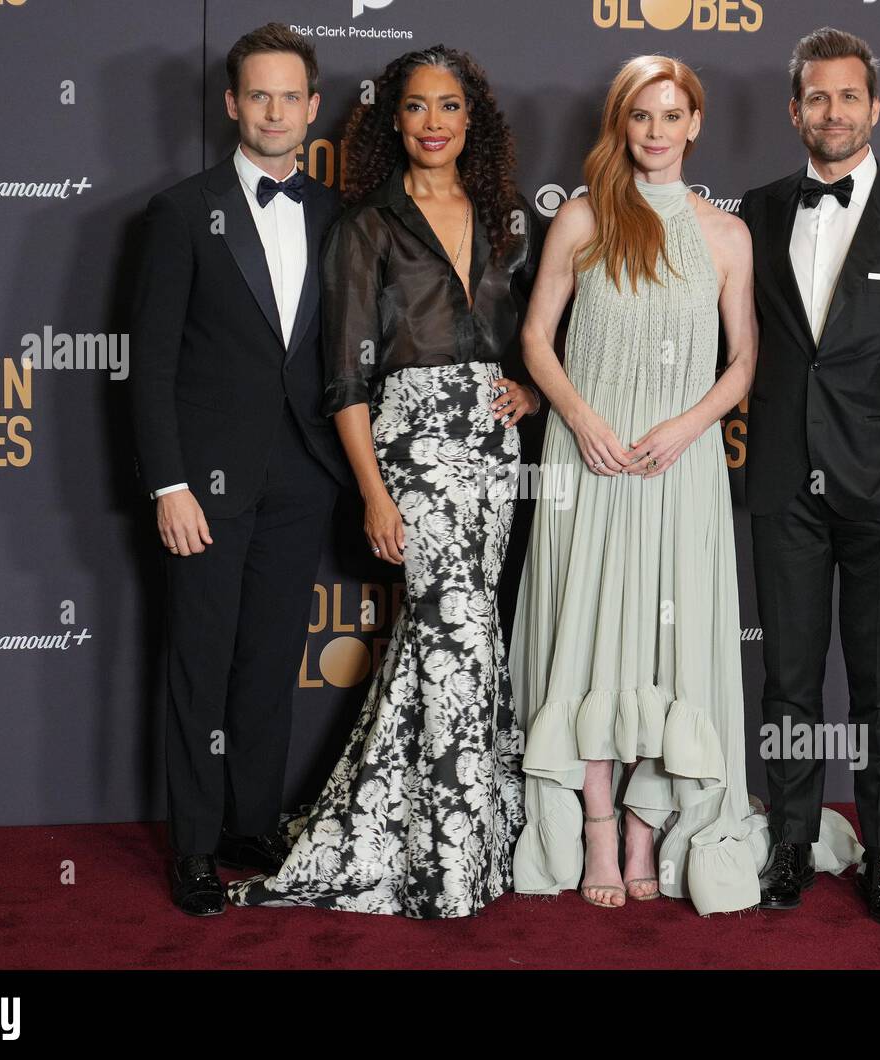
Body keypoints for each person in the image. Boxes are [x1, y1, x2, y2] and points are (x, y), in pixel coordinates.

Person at [510, 55, 862, 915]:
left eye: (672, 116)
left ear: (695, 125)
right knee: (586, 638)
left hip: (681, 461)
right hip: (584, 457)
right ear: (621, 126)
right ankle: (594, 825)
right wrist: (585, 421)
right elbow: (535, 339)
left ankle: (645, 827)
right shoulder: (583, 220)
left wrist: (685, 425)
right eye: (642, 117)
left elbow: (744, 361)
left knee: (664, 650)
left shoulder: (725, 234)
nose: (657, 132)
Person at [225, 45, 543, 918]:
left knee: (446, 644)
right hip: (411, 450)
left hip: (492, 448)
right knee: (454, 637)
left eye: (448, 106)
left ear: (471, 117)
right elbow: (345, 378)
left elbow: (535, 331)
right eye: (415, 107)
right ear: (391, 119)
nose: (432, 123)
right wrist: (374, 490)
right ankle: (446, 857)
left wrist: (525, 384)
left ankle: (425, 832)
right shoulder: (366, 226)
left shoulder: (509, 216)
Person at [737, 27, 880, 926]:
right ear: (795, 111)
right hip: (785, 486)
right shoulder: (755, 211)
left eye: (849, 97)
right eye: (817, 98)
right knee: (789, 680)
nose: (833, 113)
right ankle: (791, 844)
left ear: (874, 110)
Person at [129, 24, 349, 916]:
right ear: (231, 105)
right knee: (200, 663)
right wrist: (168, 484)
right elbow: (149, 364)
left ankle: (249, 825)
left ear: (312, 107)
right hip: (204, 490)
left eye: (289, 95)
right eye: (257, 94)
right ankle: (191, 847)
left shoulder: (338, 215)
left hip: (304, 479)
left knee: (267, 662)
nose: (274, 110)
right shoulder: (183, 213)